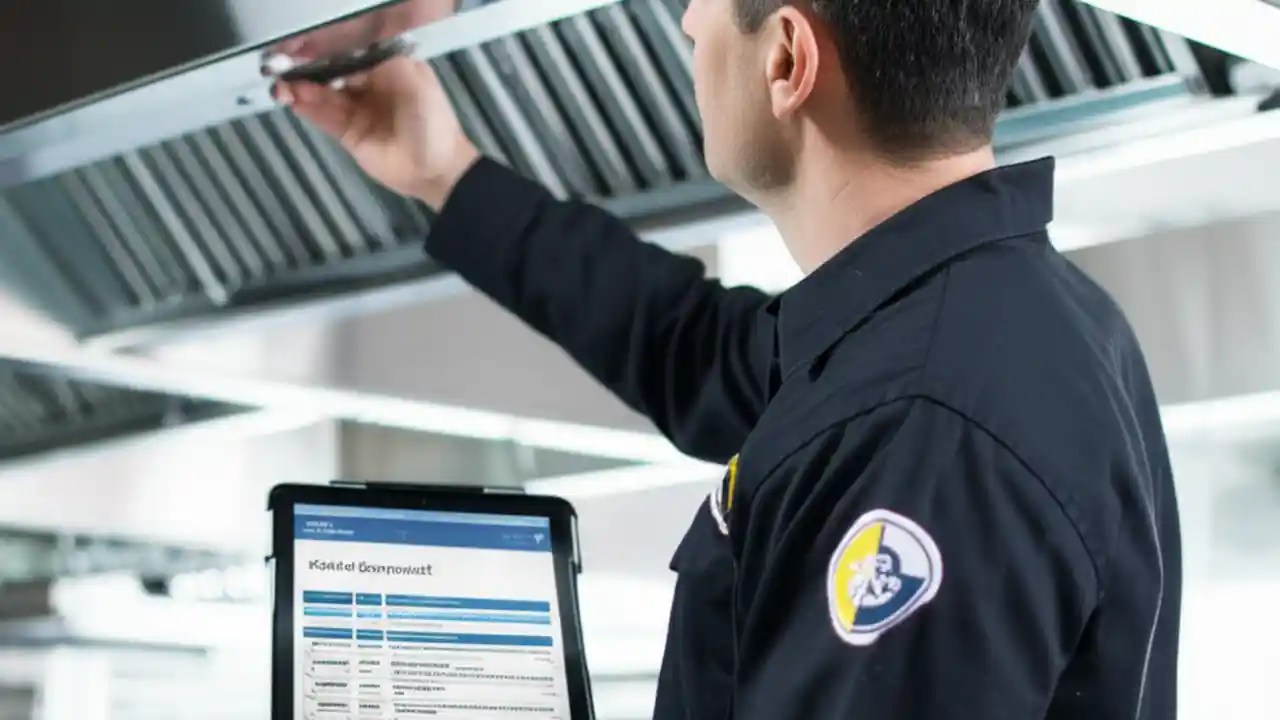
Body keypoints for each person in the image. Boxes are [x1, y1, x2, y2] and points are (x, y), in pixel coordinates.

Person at [277, 0, 1181, 716]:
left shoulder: (922, 427)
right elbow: (693, 350)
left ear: (786, 58)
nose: (686, 23)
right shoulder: (980, 325)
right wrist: (445, 174)